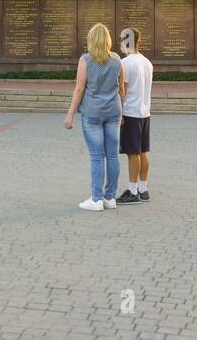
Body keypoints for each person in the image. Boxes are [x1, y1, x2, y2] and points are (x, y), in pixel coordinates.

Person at [64, 22, 125, 211]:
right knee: (113, 155)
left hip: (92, 113)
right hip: (113, 111)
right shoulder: (117, 60)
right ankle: (110, 197)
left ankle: (96, 199)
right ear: (107, 40)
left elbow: (80, 88)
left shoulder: (85, 60)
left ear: (91, 40)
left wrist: (70, 114)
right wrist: (121, 112)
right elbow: (121, 88)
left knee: (97, 157)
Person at [115, 27, 154, 204]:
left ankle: (132, 191)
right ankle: (143, 189)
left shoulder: (126, 63)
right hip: (145, 112)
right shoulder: (147, 62)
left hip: (131, 112)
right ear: (139, 41)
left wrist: (120, 113)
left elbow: (123, 89)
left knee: (132, 153)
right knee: (143, 151)